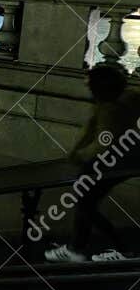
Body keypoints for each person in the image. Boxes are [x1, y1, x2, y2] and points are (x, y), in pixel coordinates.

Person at [45, 64, 140, 262]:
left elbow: (102, 143)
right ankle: (78, 247)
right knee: (86, 202)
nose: (85, 83)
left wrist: (79, 155)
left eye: (89, 81)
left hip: (113, 164)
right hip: (126, 161)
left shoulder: (109, 109)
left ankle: (120, 250)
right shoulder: (129, 97)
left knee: (86, 203)